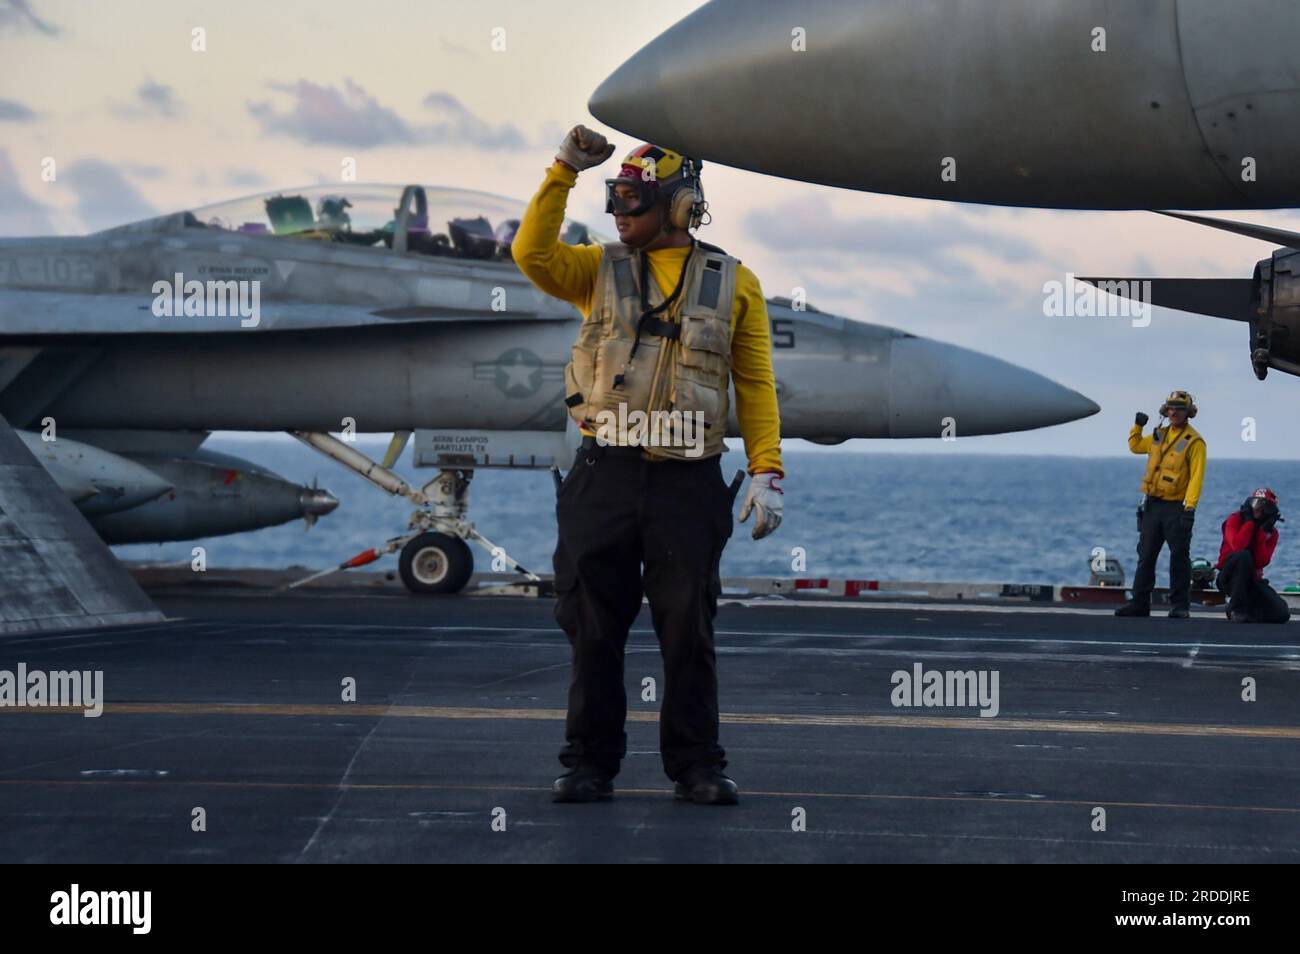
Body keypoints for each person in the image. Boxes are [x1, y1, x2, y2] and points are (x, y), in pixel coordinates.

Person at [512, 125, 786, 805]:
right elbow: (531, 253)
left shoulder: (734, 283)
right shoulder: (594, 269)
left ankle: (697, 767)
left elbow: (754, 384)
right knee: (592, 630)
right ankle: (588, 765)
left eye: (634, 201)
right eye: (617, 199)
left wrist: (766, 471)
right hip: (604, 473)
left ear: (681, 207)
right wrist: (564, 170)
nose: (620, 213)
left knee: (687, 630)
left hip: (686, 481)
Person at [1115, 390, 1206, 618]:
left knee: (1179, 558)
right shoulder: (1158, 435)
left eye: (1180, 409)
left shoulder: (1194, 442)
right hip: (1153, 506)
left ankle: (1180, 606)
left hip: (1176, 508)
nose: (1175, 412)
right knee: (1146, 556)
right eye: (1172, 408)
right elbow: (1136, 447)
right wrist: (1137, 426)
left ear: (1188, 413)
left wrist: (1190, 508)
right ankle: (1139, 603)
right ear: (1166, 411)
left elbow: (1196, 477)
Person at [1216, 488, 1290, 623]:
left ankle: (1246, 611)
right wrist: (1249, 523)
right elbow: (1237, 547)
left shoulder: (1271, 533)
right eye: (1256, 504)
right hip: (1229, 576)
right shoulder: (1234, 520)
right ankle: (1236, 608)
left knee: (1282, 613)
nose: (1258, 510)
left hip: (1252, 579)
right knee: (1243, 555)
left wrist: (1262, 533)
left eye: (1265, 507)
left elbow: (1261, 561)